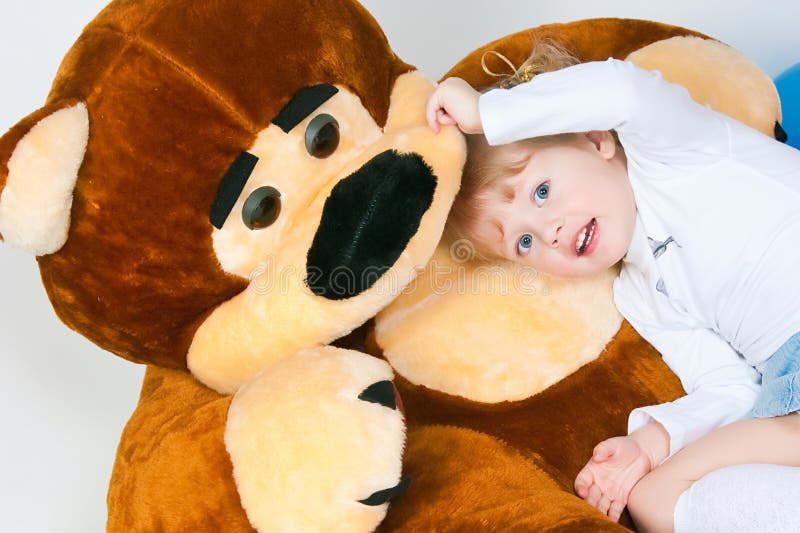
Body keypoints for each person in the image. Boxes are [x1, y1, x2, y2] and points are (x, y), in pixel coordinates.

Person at [426, 44, 800, 532]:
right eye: (522, 241)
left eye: (541, 192)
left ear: (595, 138)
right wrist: (649, 444)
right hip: (787, 387)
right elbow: (730, 388)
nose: (548, 233)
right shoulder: (639, 295)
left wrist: (486, 114)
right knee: (652, 500)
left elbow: (624, 90)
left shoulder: (673, 151)